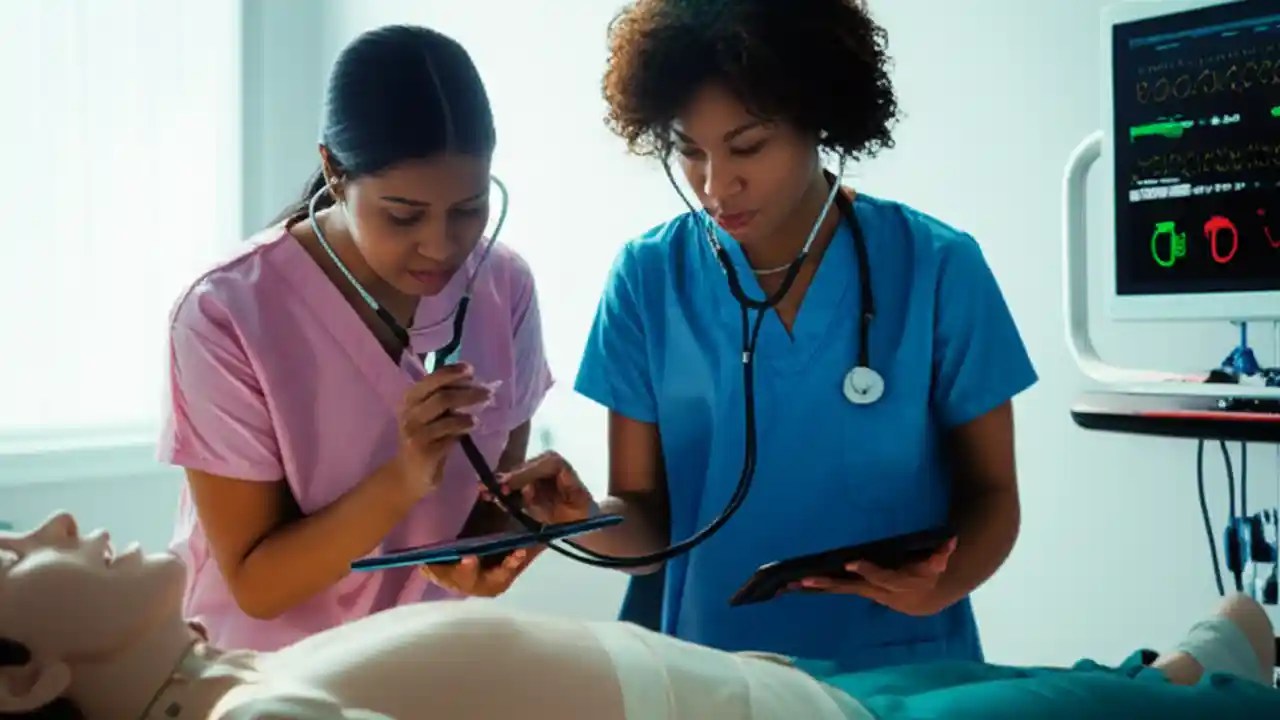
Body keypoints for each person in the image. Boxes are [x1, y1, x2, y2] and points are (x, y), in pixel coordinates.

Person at [513, 0, 1036, 671]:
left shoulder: (937, 266)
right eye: (688, 150)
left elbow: (994, 495)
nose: (715, 184)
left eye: (748, 146)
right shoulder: (648, 279)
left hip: (904, 671)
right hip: (715, 674)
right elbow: (648, 517)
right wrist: (581, 517)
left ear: (817, 118)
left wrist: (945, 581)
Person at [1, 512, 1278, 720]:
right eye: (8, 550)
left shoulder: (232, 675)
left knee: (1148, 681)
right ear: (20, 677)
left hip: (761, 684)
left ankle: (1186, 666)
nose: (51, 528)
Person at [156, 25, 553, 652]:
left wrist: (529, 523)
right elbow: (257, 586)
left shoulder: (505, 287)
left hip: (423, 664)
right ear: (334, 172)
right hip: (265, 680)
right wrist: (402, 478)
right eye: (403, 215)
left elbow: (479, 527)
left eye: (468, 208)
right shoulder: (225, 314)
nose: (443, 246)